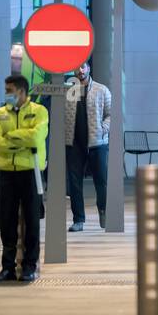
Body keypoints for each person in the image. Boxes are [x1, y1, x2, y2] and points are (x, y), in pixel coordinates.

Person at [0, 74, 49, 283]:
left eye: (10, 91)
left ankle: (29, 267)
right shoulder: (0, 113)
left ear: (22, 92)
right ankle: (7, 267)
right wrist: (21, 139)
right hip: (6, 172)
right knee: (7, 220)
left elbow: (35, 137)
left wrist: (10, 138)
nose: (7, 94)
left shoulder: (39, 111)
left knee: (32, 220)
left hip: (30, 172)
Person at [63, 61, 111, 231]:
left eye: (83, 67)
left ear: (89, 68)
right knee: (74, 183)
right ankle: (78, 219)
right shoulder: (69, 89)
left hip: (97, 143)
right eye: (77, 67)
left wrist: (103, 129)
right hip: (74, 143)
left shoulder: (101, 89)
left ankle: (104, 211)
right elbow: (60, 113)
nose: (80, 70)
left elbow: (110, 115)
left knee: (101, 181)